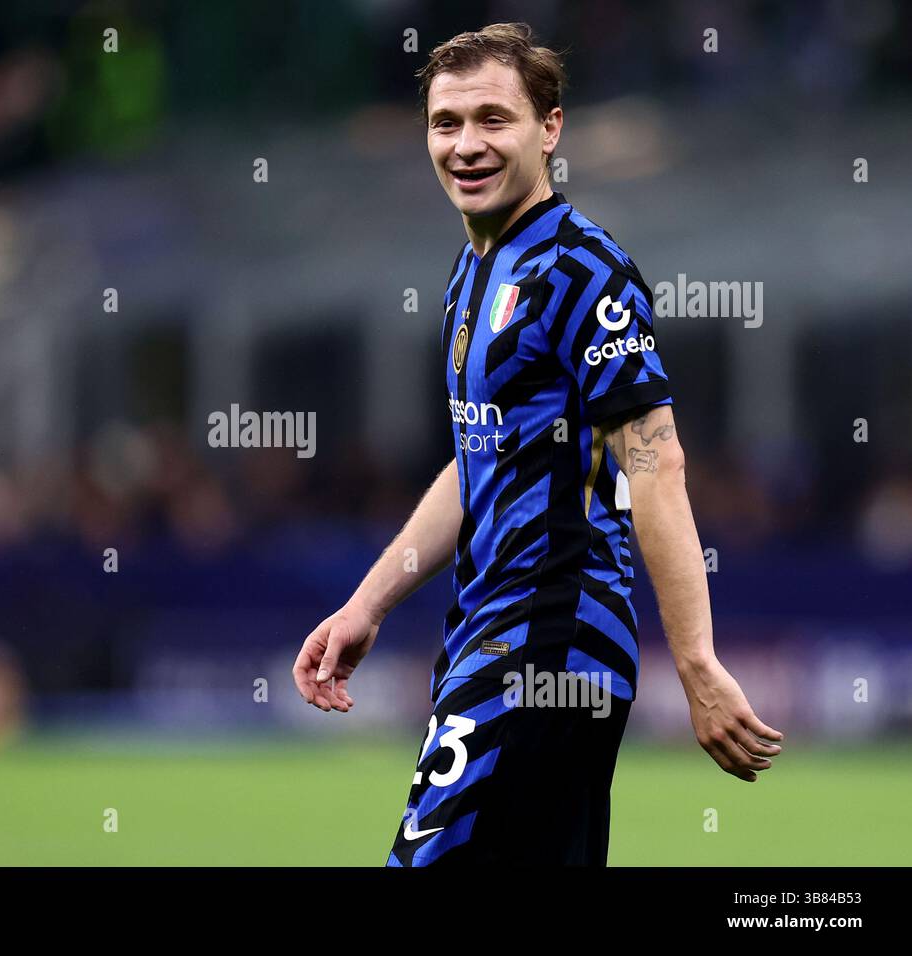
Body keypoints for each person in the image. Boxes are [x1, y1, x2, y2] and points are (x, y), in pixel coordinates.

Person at [291, 23, 783, 866]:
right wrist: (367, 605)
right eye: (446, 123)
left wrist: (696, 663)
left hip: (547, 645)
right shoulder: (472, 271)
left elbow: (654, 459)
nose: (466, 144)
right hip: (495, 635)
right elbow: (481, 460)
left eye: (493, 119)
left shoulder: (582, 271)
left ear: (549, 129)